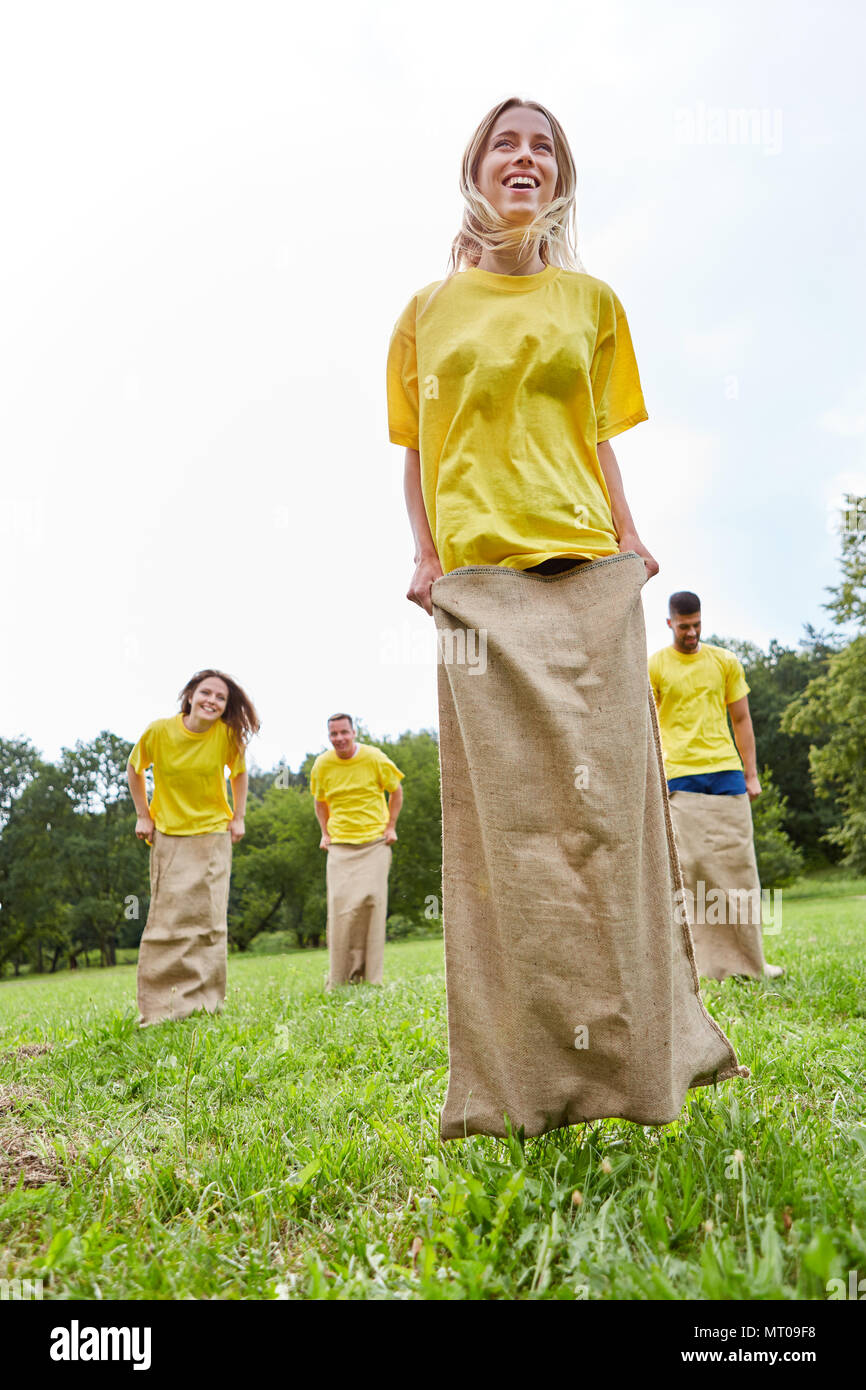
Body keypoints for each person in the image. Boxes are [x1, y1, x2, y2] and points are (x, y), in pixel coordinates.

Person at [387, 96, 747, 1140]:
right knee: (508, 834)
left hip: (585, 574)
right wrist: (422, 556)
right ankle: (518, 1083)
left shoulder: (590, 302)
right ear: (474, 168)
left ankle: (641, 1062)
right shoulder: (424, 312)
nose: (524, 156)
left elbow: (594, 436)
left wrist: (632, 539)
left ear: (559, 178)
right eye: (506, 141)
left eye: (541, 145)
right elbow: (420, 450)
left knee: (608, 823)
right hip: (480, 588)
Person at [649, 592, 783, 980]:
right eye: (684, 625)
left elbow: (741, 720)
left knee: (739, 872)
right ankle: (702, 967)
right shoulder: (655, 665)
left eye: (697, 625)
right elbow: (649, 726)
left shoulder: (724, 661)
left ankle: (752, 963)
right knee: (692, 874)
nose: (692, 632)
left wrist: (751, 772)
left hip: (725, 774)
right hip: (679, 775)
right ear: (670, 623)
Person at [127, 669, 259, 1025]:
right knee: (167, 920)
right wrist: (143, 815)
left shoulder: (228, 736)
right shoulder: (159, 731)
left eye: (221, 698)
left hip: (213, 834)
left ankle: (205, 1003)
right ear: (190, 695)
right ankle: (160, 1007)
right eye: (206, 693)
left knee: (209, 919)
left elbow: (240, 773)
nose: (212, 701)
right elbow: (134, 767)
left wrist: (239, 816)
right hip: (169, 834)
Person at [310, 714, 404, 988]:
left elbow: (396, 791)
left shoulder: (375, 758)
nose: (339, 738)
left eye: (343, 732)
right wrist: (325, 834)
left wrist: (391, 827)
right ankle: (339, 979)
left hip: (375, 843)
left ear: (354, 732)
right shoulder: (322, 764)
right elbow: (320, 802)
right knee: (341, 908)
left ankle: (371, 979)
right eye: (333, 734)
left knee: (371, 904)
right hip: (340, 845)